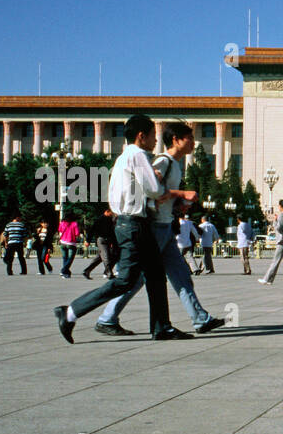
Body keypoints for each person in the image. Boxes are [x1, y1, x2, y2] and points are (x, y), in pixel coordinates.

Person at [53, 113, 188, 343]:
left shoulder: (124, 157)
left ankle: (162, 326)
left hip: (132, 223)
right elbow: (154, 189)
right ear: (141, 136)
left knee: (155, 275)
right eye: (153, 136)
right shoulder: (137, 155)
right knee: (126, 279)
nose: (156, 141)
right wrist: (169, 190)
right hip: (134, 224)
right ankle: (70, 312)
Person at [93, 120, 224, 336]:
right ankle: (107, 317)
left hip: (164, 226)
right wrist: (180, 195)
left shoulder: (175, 165)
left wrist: (178, 205)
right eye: (189, 138)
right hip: (154, 228)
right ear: (176, 140)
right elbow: (152, 192)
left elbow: (163, 196)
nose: (193, 142)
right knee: (141, 278)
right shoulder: (164, 162)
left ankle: (200, 318)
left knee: (180, 274)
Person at [82, 209, 116, 279]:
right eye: (111, 213)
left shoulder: (111, 220)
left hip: (109, 240)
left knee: (100, 257)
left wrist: (113, 242)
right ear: (106, 212)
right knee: (106, 256)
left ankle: (87, 271)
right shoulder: (99, 220)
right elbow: (92, 230)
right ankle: (109, 273)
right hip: (101, 240)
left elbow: (112, 232)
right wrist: (88, 240)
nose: (112, 214)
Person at [57, 212, 81, 278]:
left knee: (65, 258)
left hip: (63, 242)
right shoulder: (74, 224)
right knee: (70, 259)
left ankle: (66, 273)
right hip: (71, 243)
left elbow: (60, 230)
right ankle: (63, 270)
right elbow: (77, 233)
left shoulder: (62, 223)